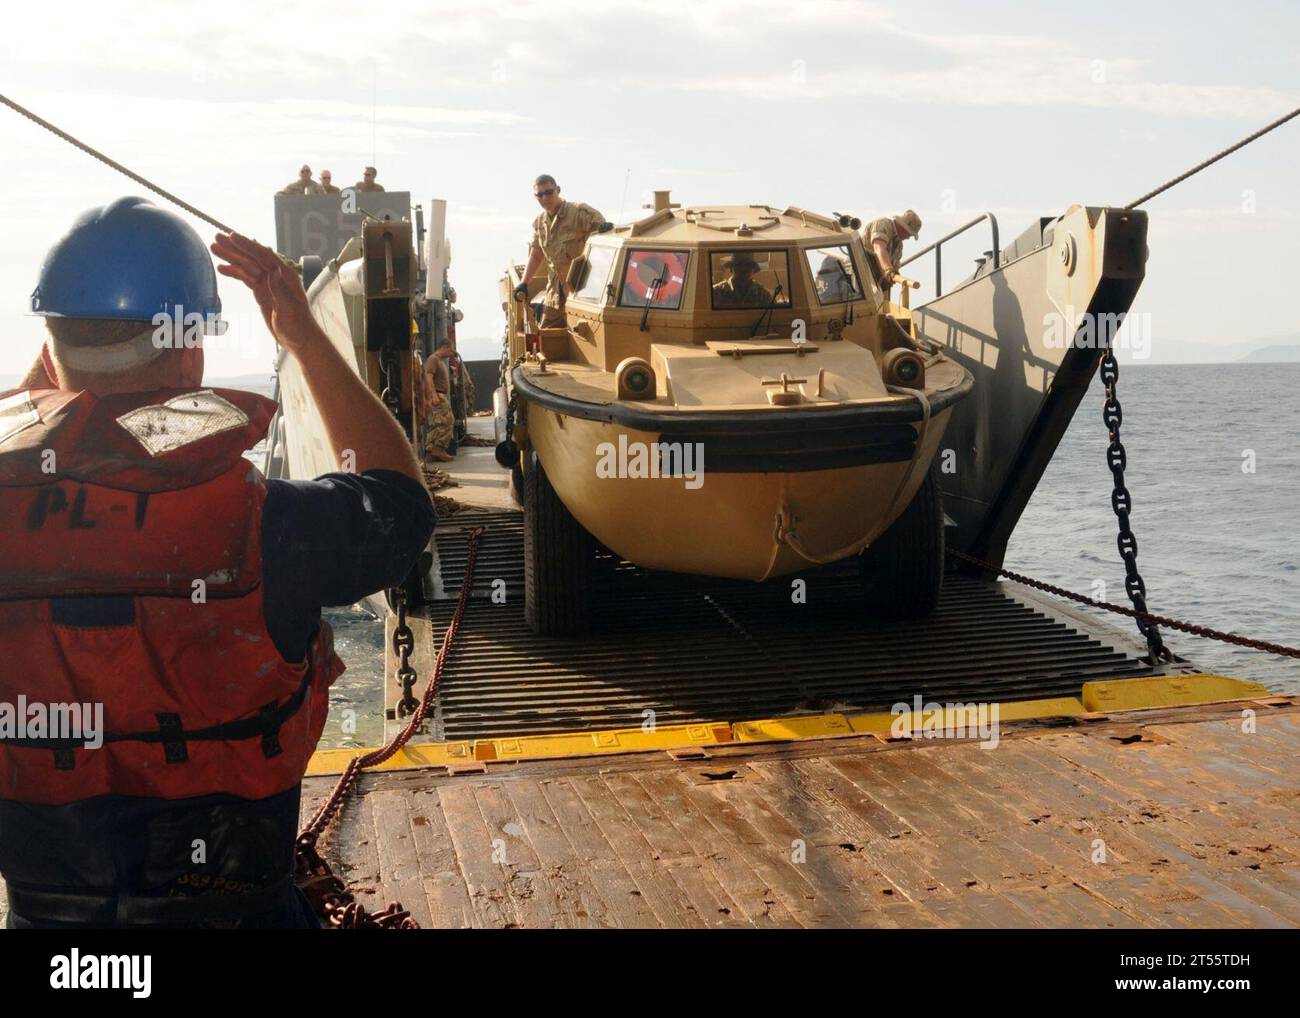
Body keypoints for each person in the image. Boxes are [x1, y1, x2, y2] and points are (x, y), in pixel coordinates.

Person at [0, 197, 435, 929]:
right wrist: (305, 337)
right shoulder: (270, 524)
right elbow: (400, 503)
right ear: (190, 349)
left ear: (50, 350)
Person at [513, 175, 611, 330]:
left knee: (587, 335)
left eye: (548, 192)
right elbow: (536, 254)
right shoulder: (540, 223)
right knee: (548, 337)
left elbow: (605, 239)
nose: (544, 198)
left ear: (557, 190)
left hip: (582, 288)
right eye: (540, 195)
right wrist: (524, 283)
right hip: (555, 291)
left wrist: (604, 231)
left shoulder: (579, 212)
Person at [860, 210, 921, 289]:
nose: (908, 237)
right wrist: (888, 270)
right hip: (859, 273)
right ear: (903, 226)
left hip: (873, 283)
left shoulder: (898, 246)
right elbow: (878, 247)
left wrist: (892, 277)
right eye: (909, 234)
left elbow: (895, 268)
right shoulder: (883, 224)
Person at [421, 347, 455, 463]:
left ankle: (431, 452)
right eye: (451, 350)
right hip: (438, 395)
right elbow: (428, 377)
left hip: (440, 395)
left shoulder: (438, 361)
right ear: (444, 348)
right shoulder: (433, 359)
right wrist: (434, 395)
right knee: (446, 421)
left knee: (436, 423)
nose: (452, 353)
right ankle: (439, 448)